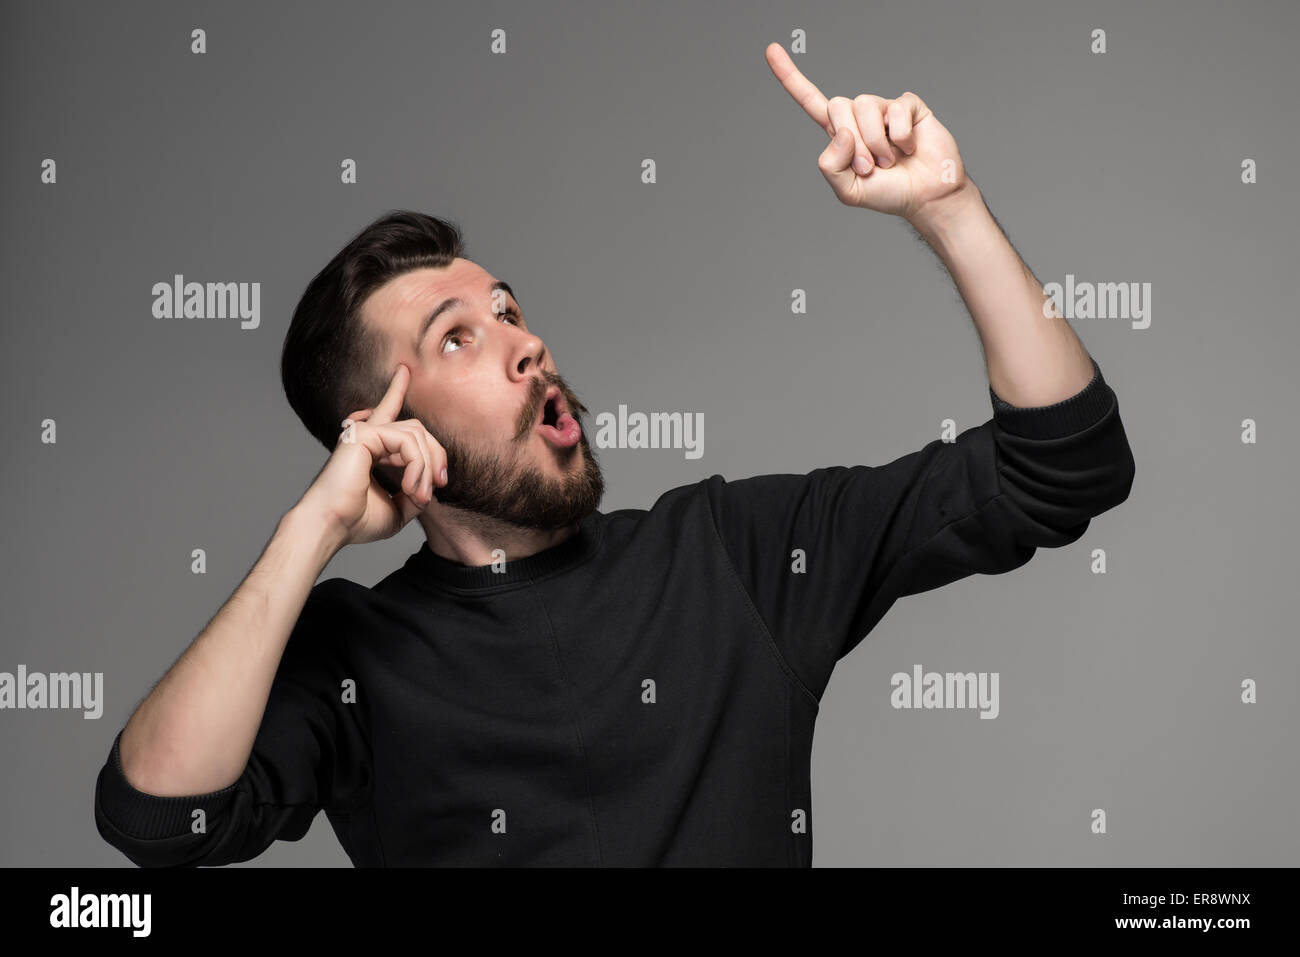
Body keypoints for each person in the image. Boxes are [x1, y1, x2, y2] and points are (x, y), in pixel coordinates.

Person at [93, 45, 1135, 866]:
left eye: (509, 310)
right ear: (377, 424)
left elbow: (1063, 469)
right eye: (458, 336)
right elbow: (155, 819)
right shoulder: (352, 653)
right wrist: (310, 529)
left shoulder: (730, 555)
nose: (525, 340)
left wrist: (946, 210)